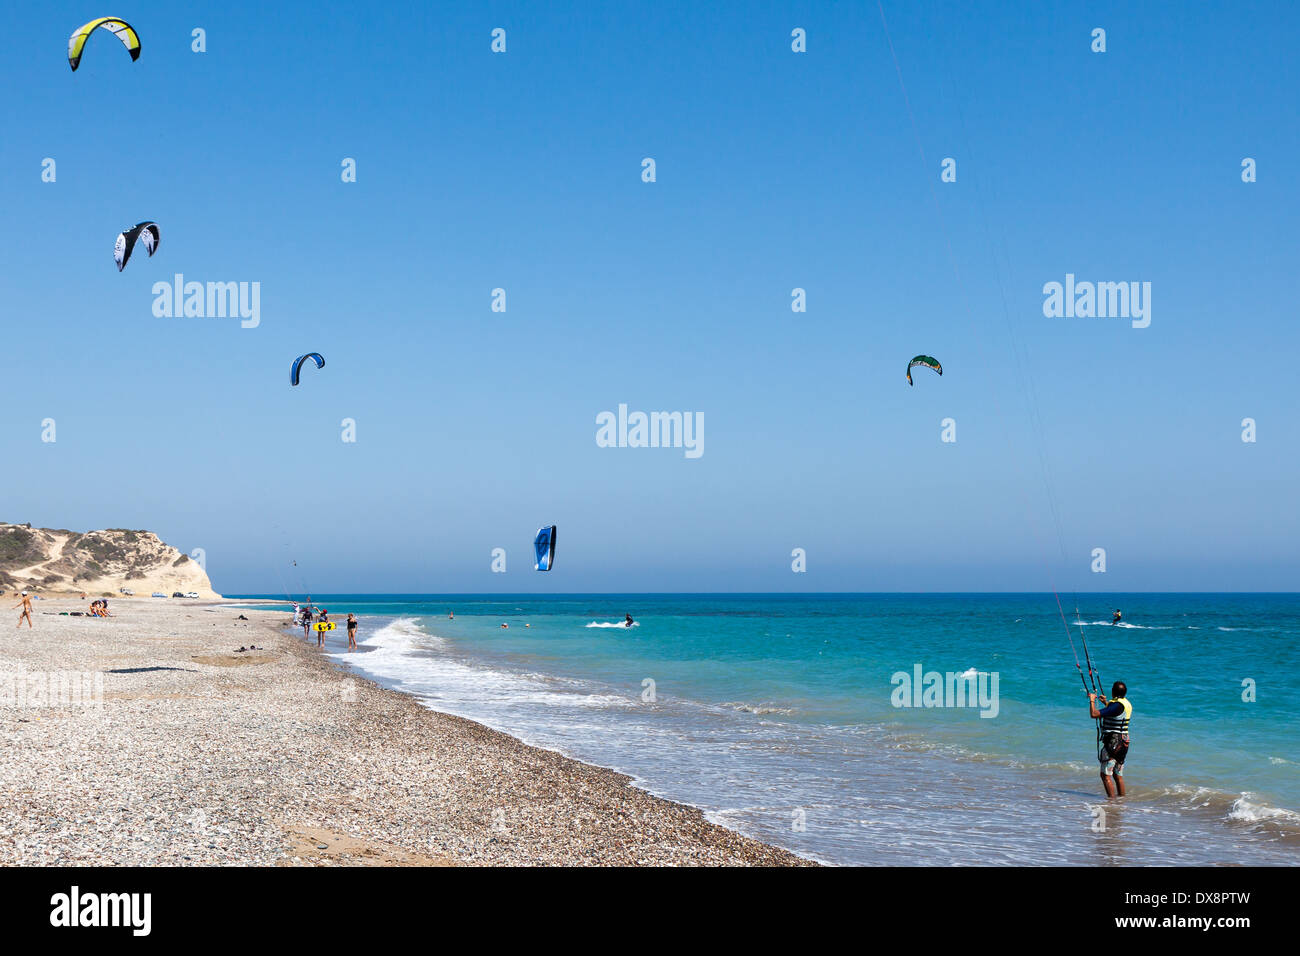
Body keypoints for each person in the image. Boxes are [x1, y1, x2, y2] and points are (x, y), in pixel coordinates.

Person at [1089, 681, 1132, 798]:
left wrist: (1092, 700)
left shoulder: (1117, 705)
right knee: (1118, 775)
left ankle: (1112, 803)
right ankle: (1121, 802)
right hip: (1124, 742)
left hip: (1113, 742)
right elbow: (1116, 712)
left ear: (1113, 692)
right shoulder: (1126, 703)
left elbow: (1094, 714)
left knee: (1105, 775)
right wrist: (1106, 703)